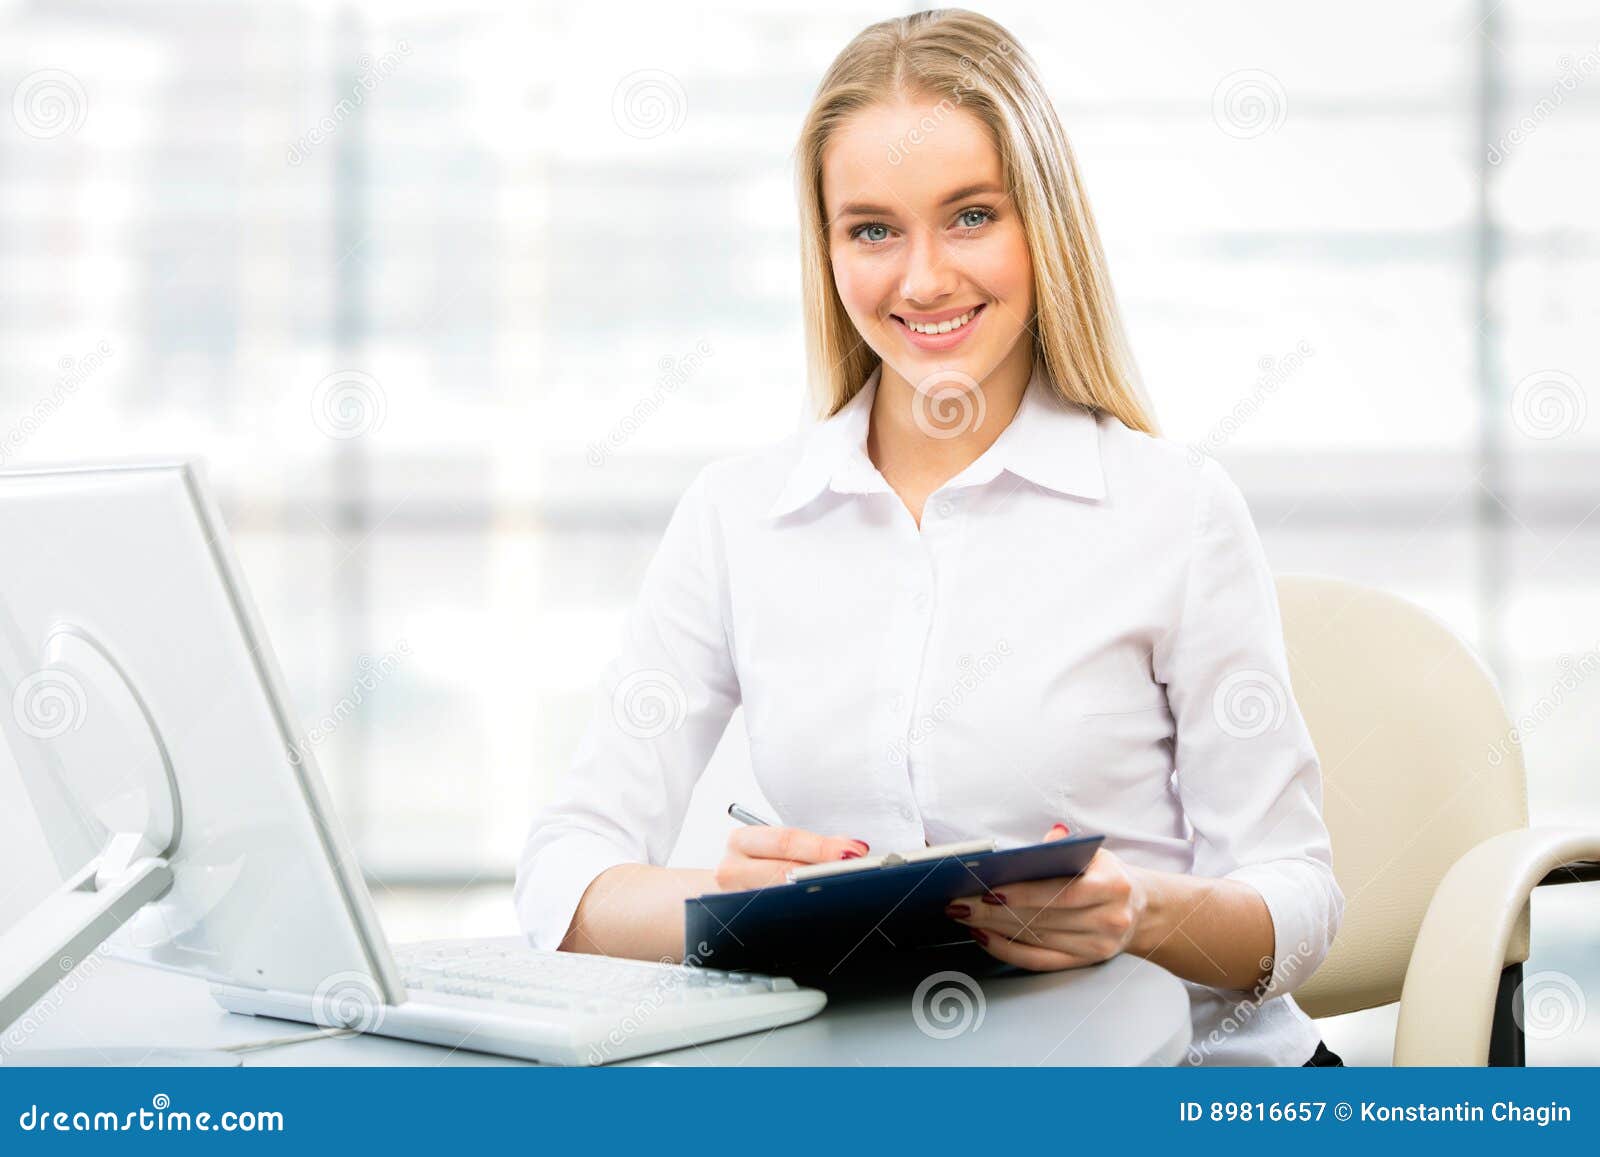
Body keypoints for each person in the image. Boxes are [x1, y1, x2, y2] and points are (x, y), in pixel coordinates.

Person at [515, 8, 1344, 1067]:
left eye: (970, 216)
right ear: (826, 248)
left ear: (1042, 223)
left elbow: (1299, 903)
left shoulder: (1174, 510)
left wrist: (1137, 910)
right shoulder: (738, 517)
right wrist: (737, 911)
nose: (922, 280)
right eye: (872, 229)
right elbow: (563, 872)